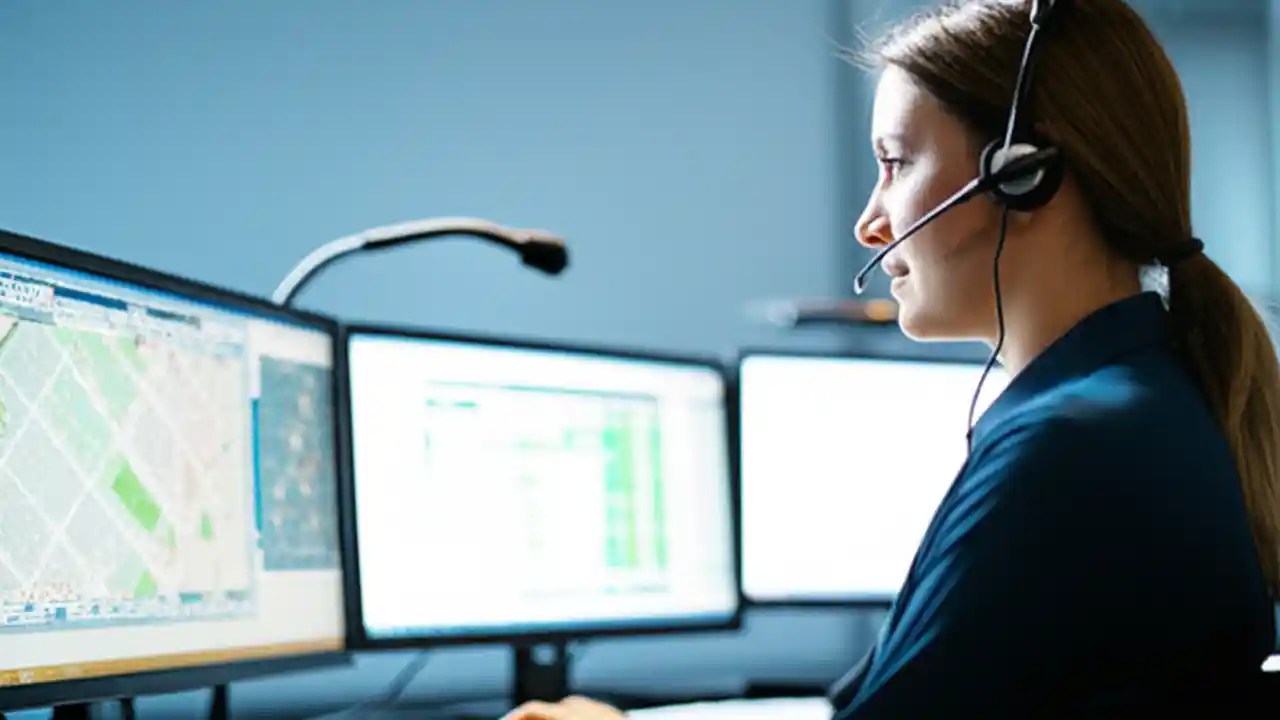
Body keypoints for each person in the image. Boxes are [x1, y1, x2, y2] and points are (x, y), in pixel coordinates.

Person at [503, 0, 1279, 717]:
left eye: (896, 163)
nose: (870, 224)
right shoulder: (1148, 400)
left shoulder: (1070, 447)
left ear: (1020, 176)